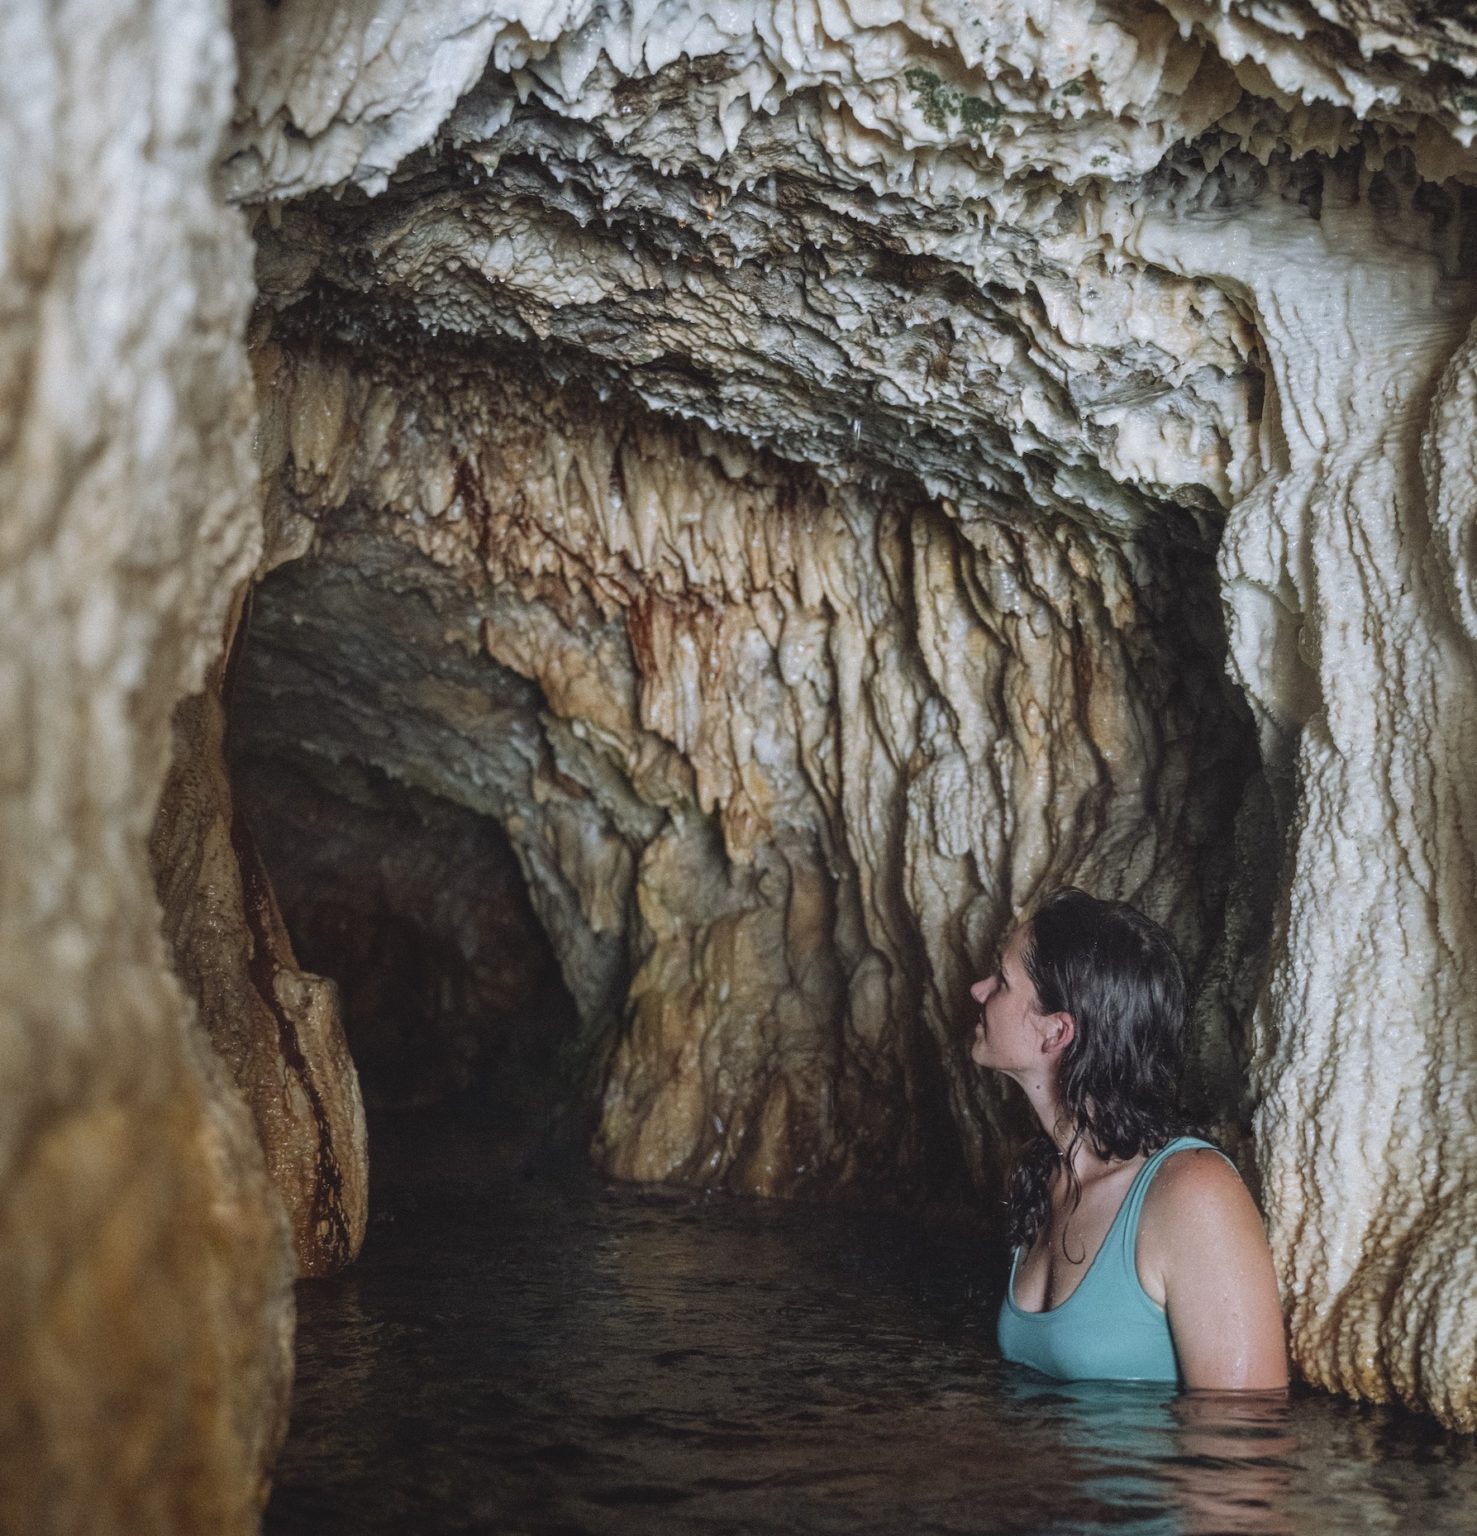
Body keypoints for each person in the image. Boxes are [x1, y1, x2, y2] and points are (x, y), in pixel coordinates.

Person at [971, 886, 1288, 1390]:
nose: (978, 990)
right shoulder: (1045, 1177)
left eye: (1003, 982)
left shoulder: (1193, 1194)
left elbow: (1243, 1443)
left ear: (1056, 1033)